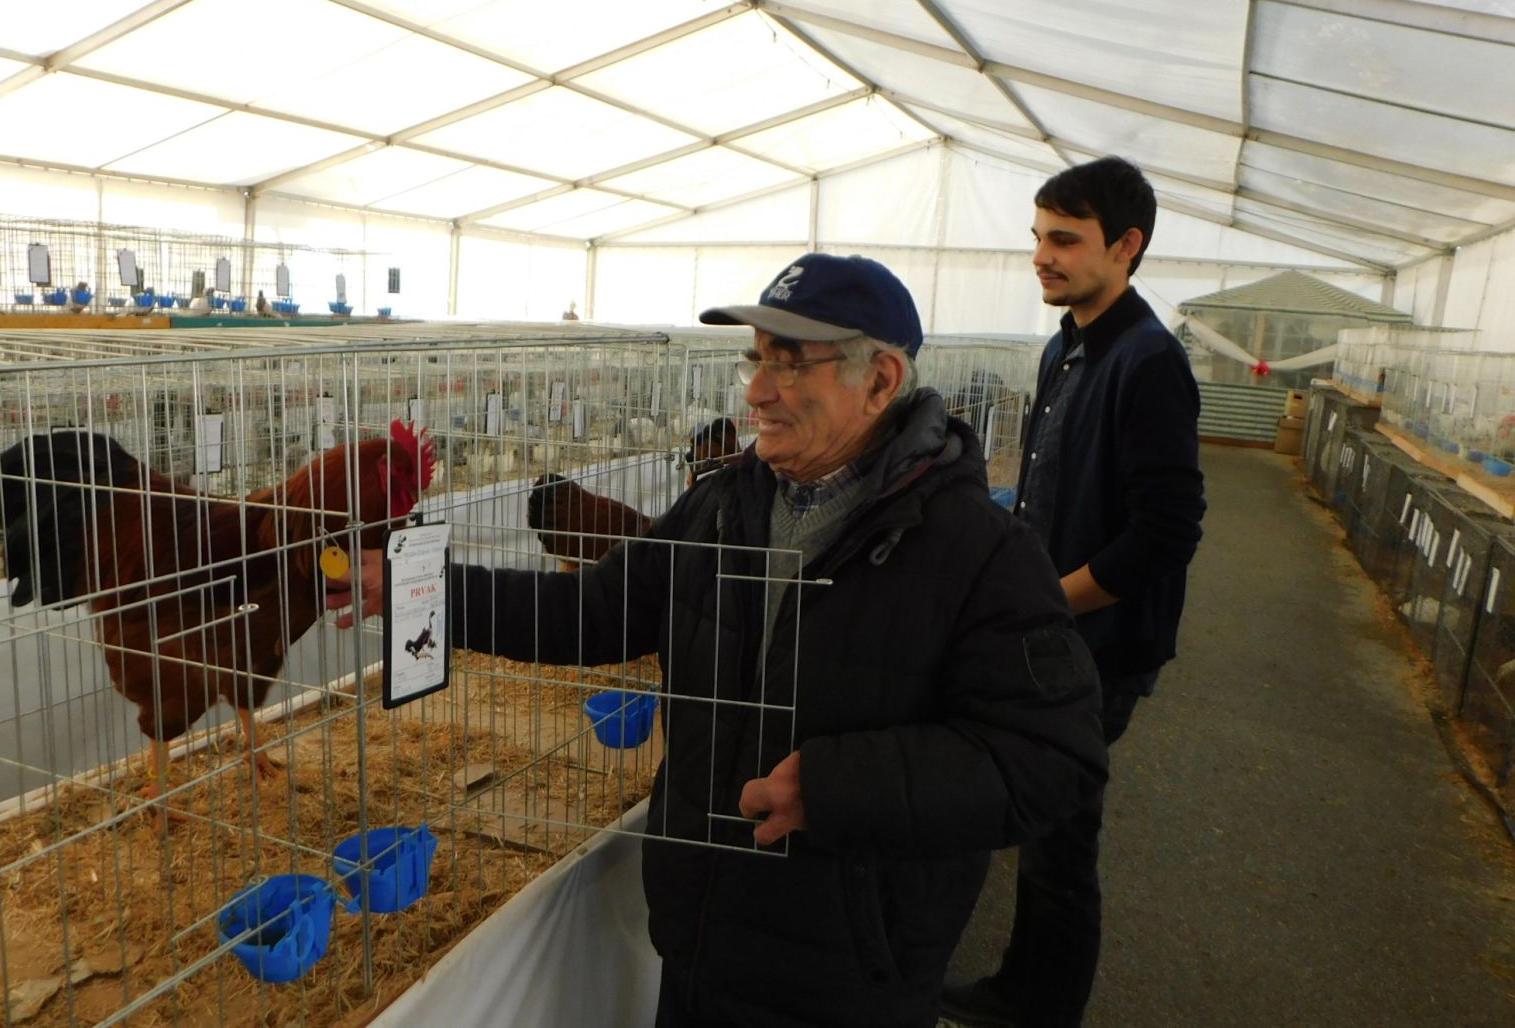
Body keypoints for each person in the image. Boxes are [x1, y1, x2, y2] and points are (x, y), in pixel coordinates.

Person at [340, 253, 1107, 1027]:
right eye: (757, 359)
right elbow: (593, 610)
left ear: (879, 379)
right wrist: (421, 590)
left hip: (847, 981)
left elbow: (1052, 759)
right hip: (699, 942)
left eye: (789, 365)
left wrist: (840, 787)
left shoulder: (978, 549)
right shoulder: (722, 508)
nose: (758, 391)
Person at [940, 157, 1207, 1028]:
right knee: (1045, 825)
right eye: (1037, 238)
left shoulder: (1149, 362)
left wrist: (1052, 601)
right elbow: (1051, 485)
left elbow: (1166, 534)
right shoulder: (1067, 347)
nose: (1041, 258)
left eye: (1064, 240)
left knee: (1060, 838)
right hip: (1057, 629)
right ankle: (1023, 987)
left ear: (1126, 247)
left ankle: (1039, 1006)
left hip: (1099, 644)